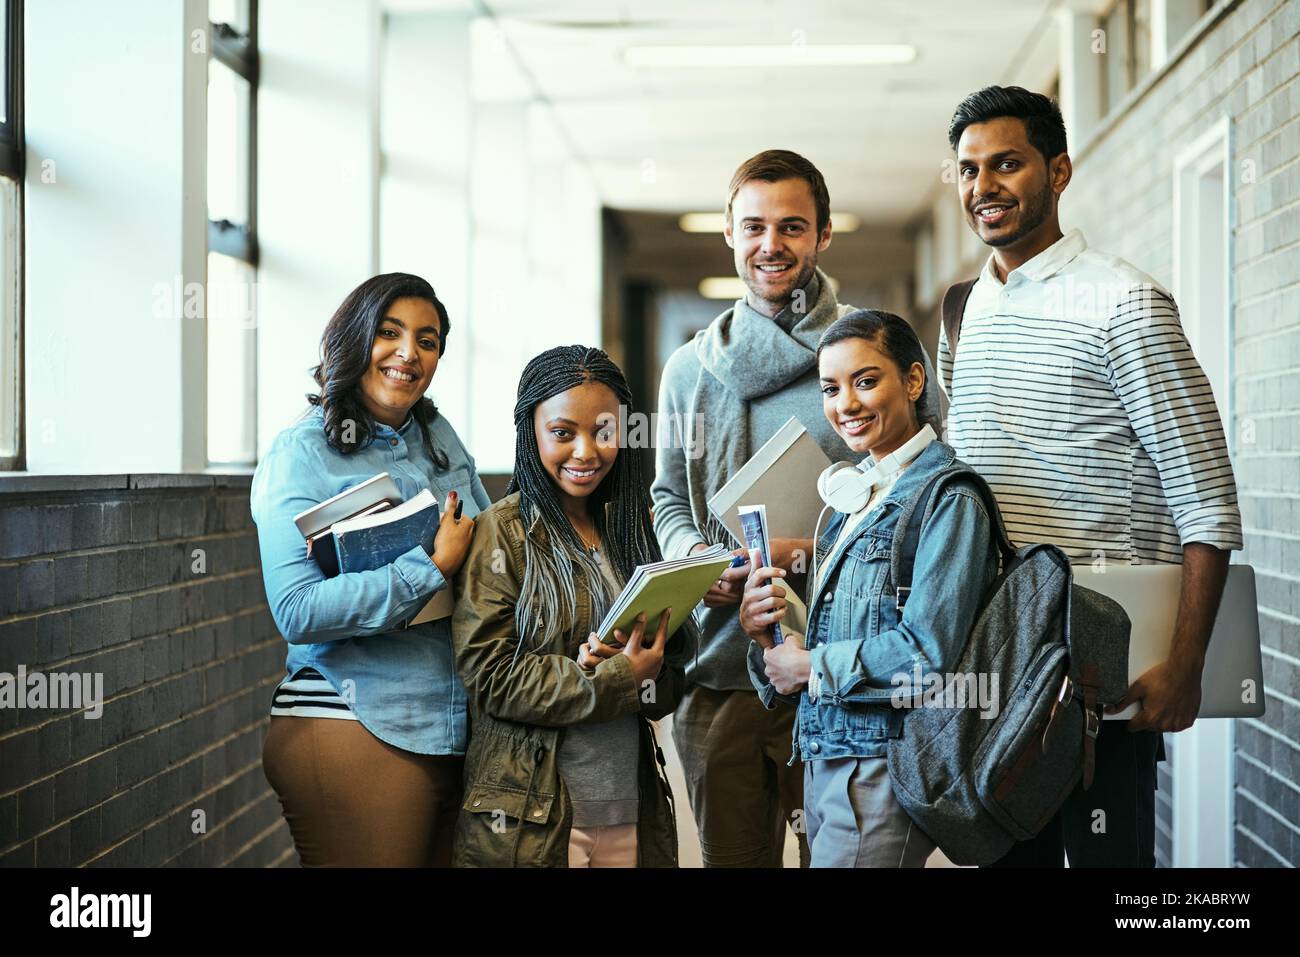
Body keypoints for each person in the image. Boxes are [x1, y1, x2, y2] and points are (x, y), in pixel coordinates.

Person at [940, 85, 1243, 867]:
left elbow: (1207, 498)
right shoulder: (964, 310)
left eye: (1007, 163)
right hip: (997, 666)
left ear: (1060, 170)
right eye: (969, 169)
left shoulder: (1125, 303)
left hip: (1101, 668)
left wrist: (1187, 663)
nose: (985, 187)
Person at [651, 148, 946, 867]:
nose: (771, 245)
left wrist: (812, 552)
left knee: (842, 854)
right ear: (729, 232)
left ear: (822, 236)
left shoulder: (864, 355)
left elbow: (919, 489)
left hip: (839, 667)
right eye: (753, 226)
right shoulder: (690, 369)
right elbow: (666, 500)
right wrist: (698, 562)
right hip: (721, 669)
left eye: (791, 226)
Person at [739, 309, 998, 867]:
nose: (846, 405)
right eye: (830, 389)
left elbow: (924, 655)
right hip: (829, 749)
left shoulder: (948, 498)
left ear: (912, 379)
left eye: (865, 381)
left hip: (881, 762)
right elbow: (828, 639)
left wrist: (808, 667)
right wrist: (767, 634)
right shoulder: (855, 495)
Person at [251, 272, 488, 867]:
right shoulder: (300, 453)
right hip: (351, 724)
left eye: (428, 340)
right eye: (390, 333)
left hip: (447, 727)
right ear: (355, 339)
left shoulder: (437, 436)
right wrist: (430, 566)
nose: (410, 353)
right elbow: (297, 611)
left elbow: (485, 545)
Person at [451, 345, 694, 868]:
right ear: (530, 431)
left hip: (627, 806)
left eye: (604, 431)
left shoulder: (631, 531)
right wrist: (610, 677)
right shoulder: (504, 533)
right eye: (563, 433)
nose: (586, 452)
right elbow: (489, 676)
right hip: (528, 817)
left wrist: (651, 666)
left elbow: (662, 687)